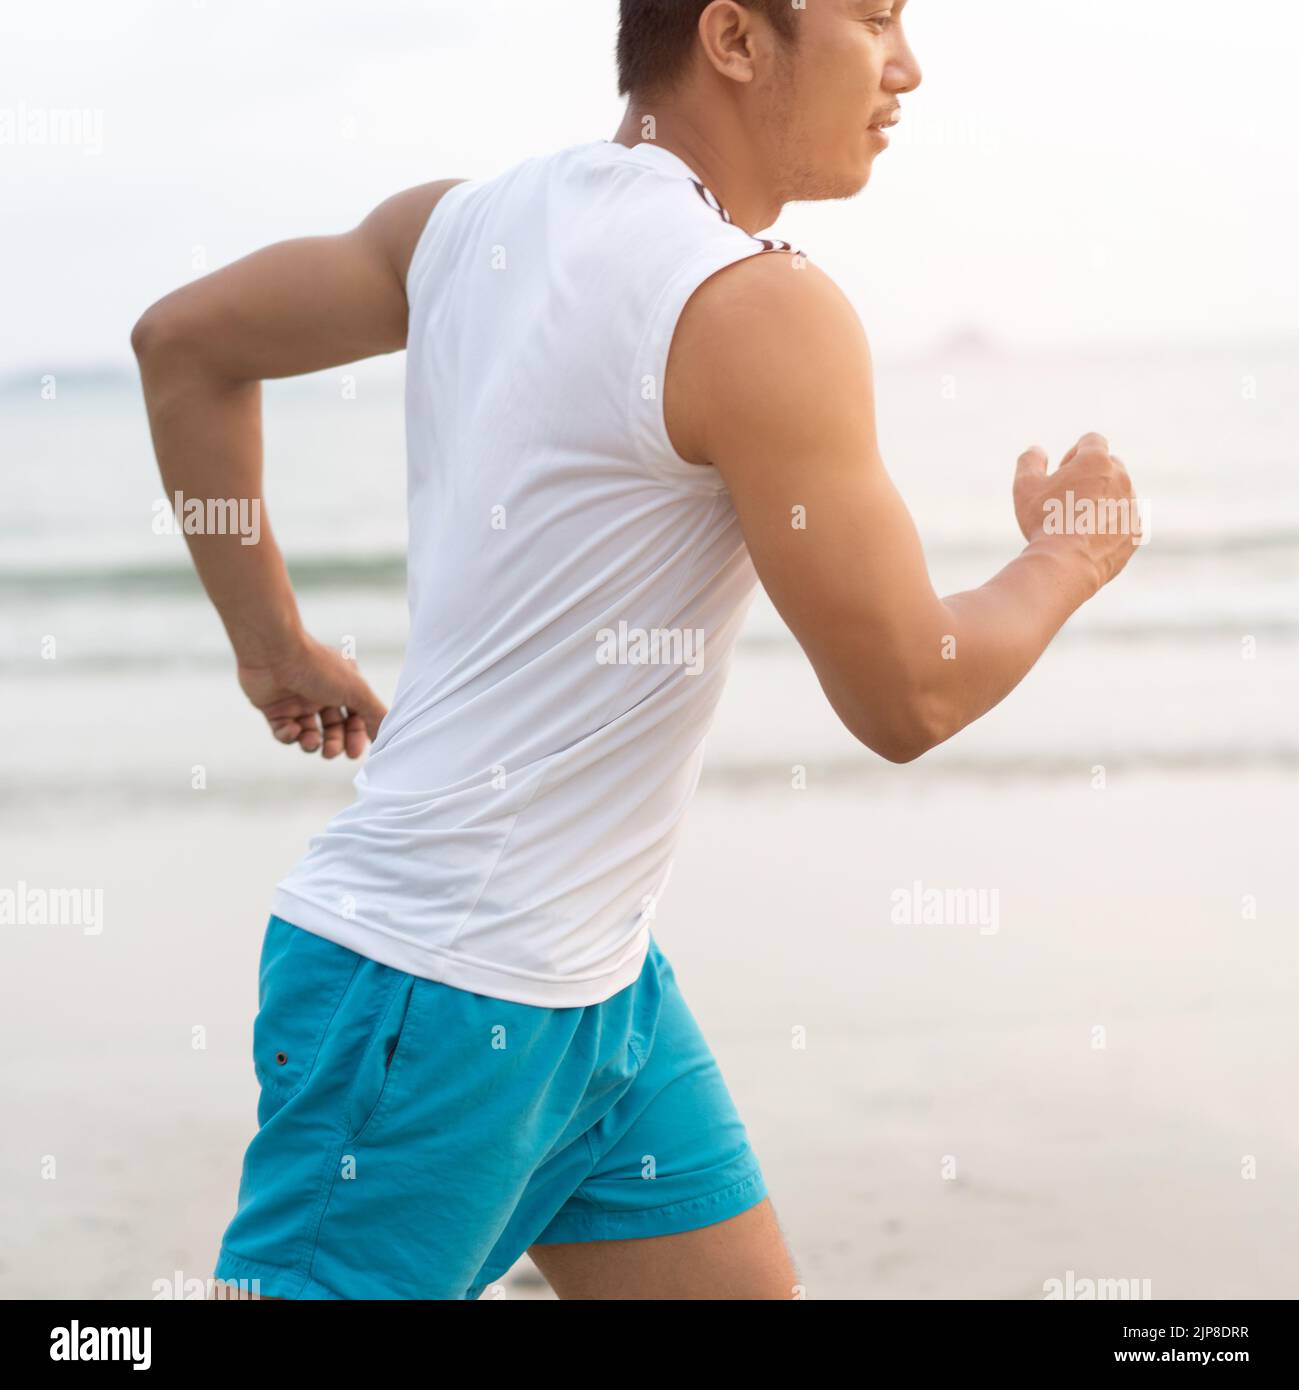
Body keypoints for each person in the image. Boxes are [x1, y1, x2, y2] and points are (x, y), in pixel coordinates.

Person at [132, 0, 1140, 1300]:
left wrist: (270, 644)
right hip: (434, 993)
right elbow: (912, 687)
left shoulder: (461, 228)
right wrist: (1072, 554)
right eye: (875, 18)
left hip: (599, 986)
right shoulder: (756, 307)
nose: (909, 66)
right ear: (732, 37)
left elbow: (185, 345)